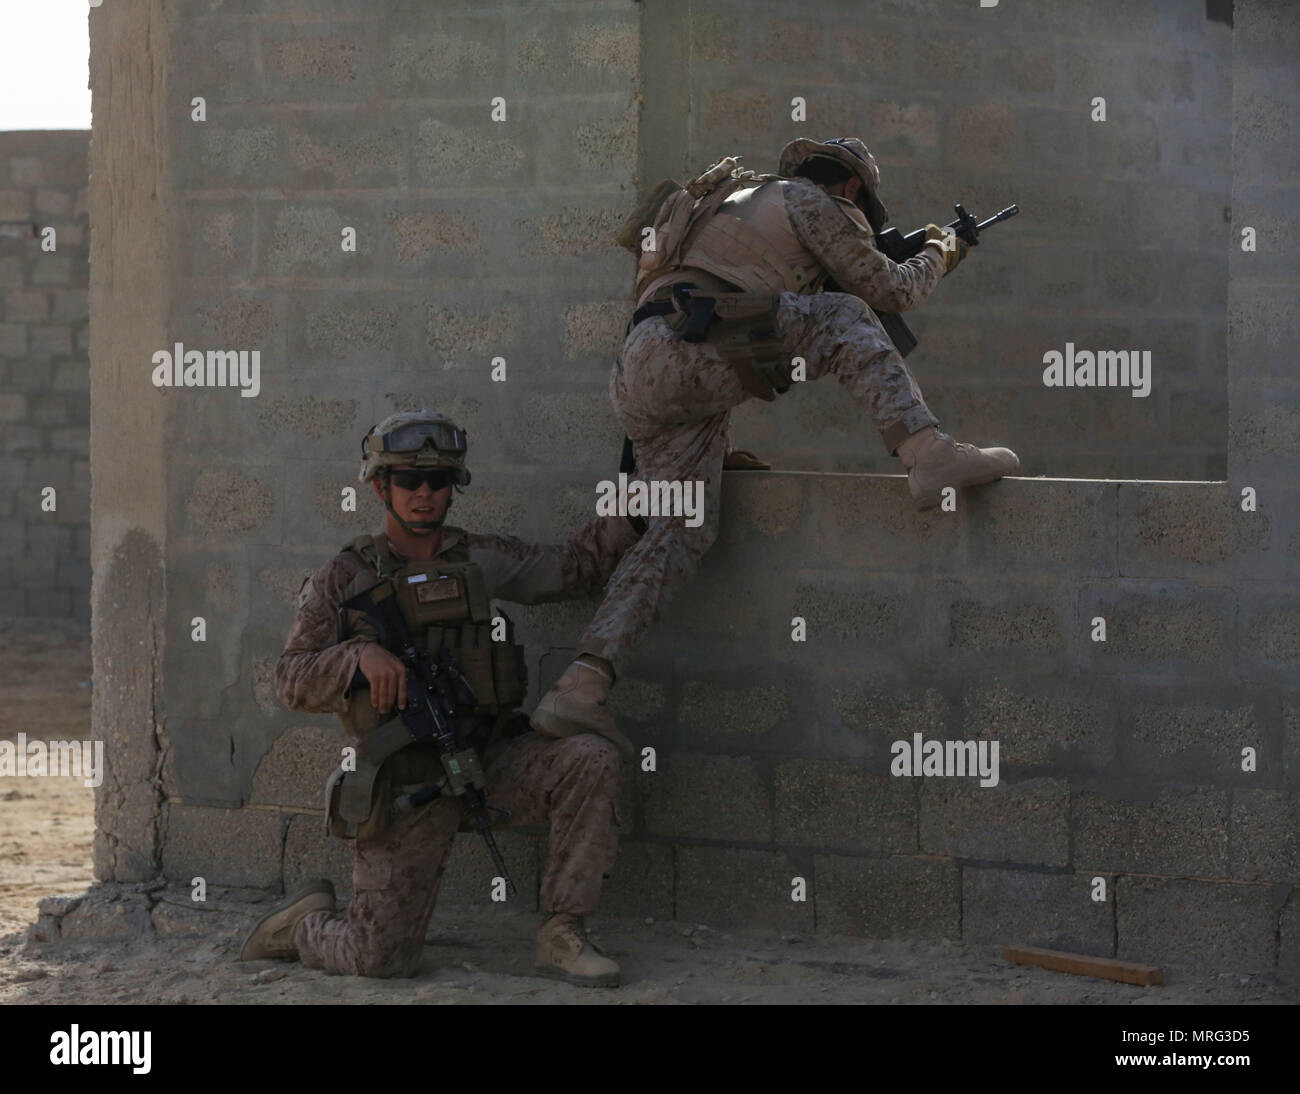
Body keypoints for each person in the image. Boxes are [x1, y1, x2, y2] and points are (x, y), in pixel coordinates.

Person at [530, 136, 1020, 745]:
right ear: (850, 190)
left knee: (681, 531)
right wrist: (942, 251)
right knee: (845, 316)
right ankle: (927, 455)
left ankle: (581, 685)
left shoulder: (728, 202)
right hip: (696, 346)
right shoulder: (811, 200)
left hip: (643, 370)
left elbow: (744, 293)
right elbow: (890, 291)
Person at [240, 410, 640, 987]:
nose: (424, 493)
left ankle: (563, 934)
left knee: (590, 757)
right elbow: (290, 678)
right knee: (381, 962)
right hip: (407, 787)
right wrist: (356, 657)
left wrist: (633, 507)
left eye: (438, 482)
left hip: (487, 764)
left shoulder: (479, 558)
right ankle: (304, 926)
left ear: (454, 489)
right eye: (408, 481)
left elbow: (574, 570)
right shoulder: (344, 578)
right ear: (381, 486)